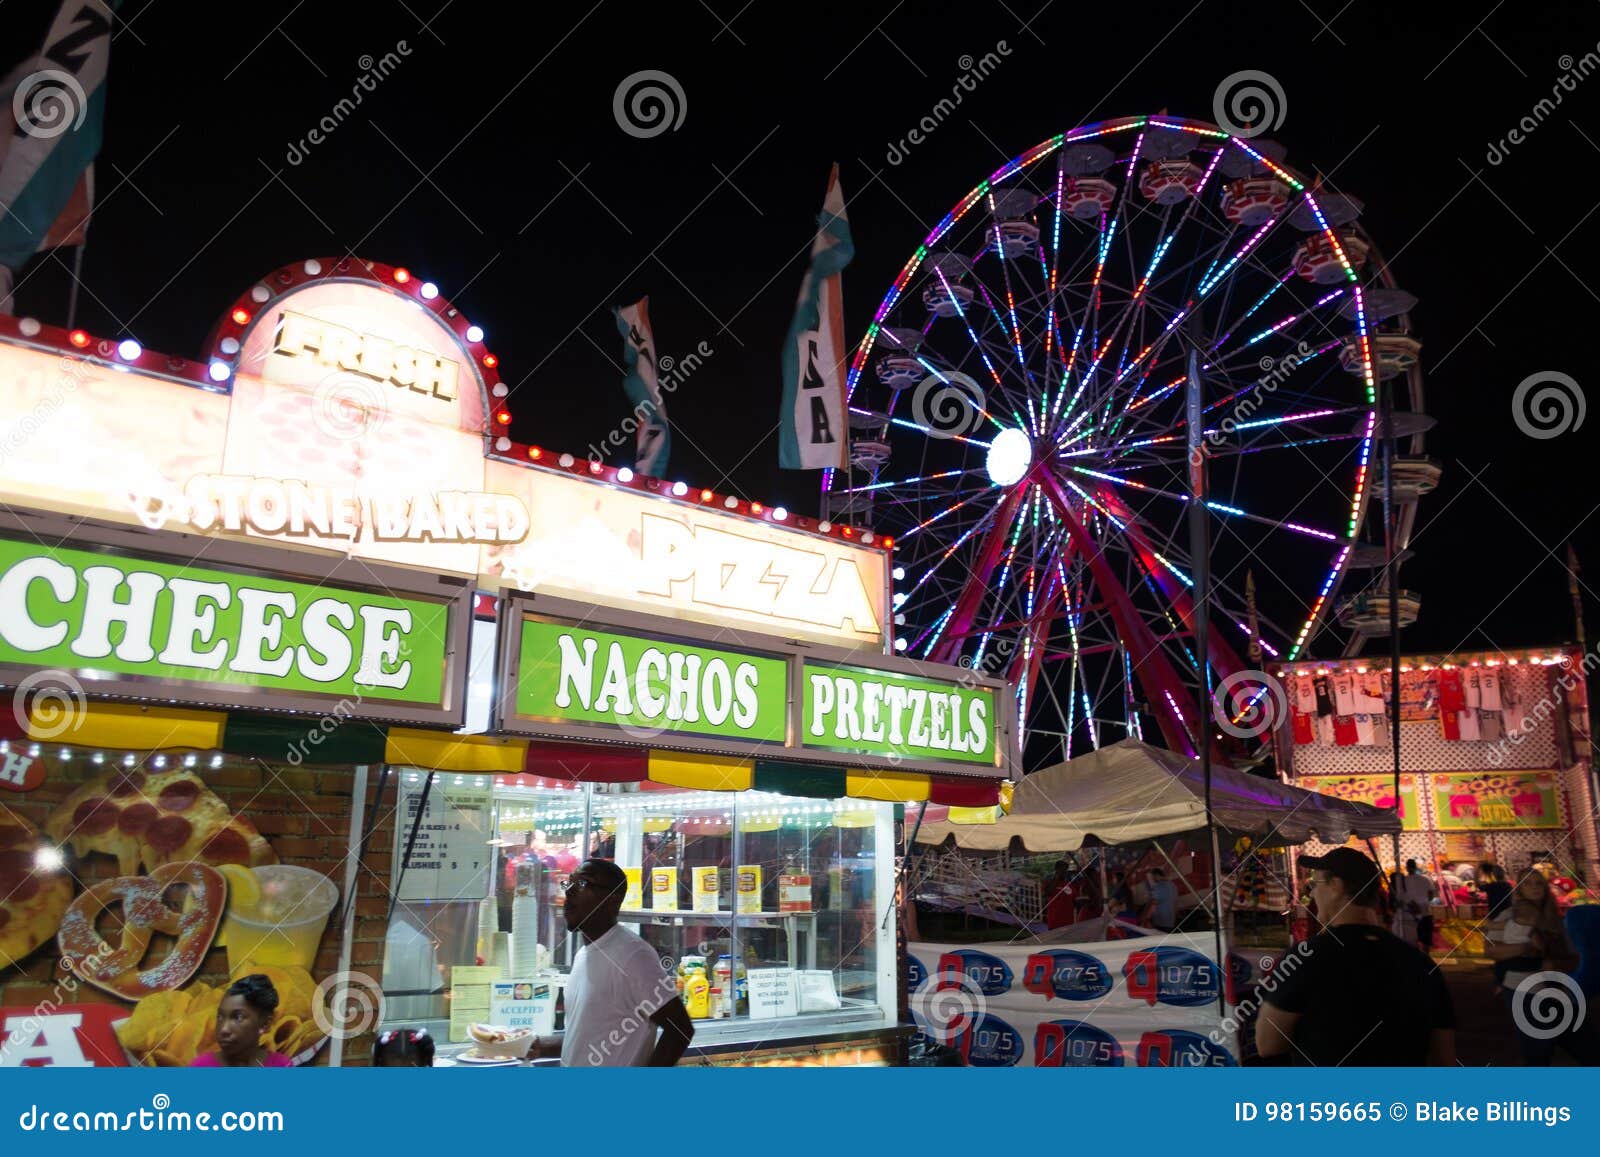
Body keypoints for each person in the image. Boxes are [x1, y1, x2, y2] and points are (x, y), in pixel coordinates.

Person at [1256, 848, 1455, 1066]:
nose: (1312, 894)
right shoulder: (1419, 962)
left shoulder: (1306, 958)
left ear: (1336, 886)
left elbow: (1268, 1044)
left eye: (1315, 885)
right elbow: (1444, 1059)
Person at [535, 858, 695, 1067]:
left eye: (583, 884)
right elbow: (588, 1039)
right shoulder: (583, 955)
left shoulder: (634, 955)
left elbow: (680, 1029)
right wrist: (537, 1045)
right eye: (569, 883)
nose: (570, 892)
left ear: (612, 900)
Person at [1484, 869, 1600, 1065]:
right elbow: (1491, 950)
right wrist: (1529, 948)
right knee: (1537, 1052)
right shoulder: (1509, 914)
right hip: (1524, 991)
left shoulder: (1553, 916)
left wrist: (1554, 960)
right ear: (1519, 889)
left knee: (1586, 1046)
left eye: (1539, 883)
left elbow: (1569, 955)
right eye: (1528, 884)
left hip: (1556, 988)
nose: (1535, 887)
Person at [190, 974, 293, 1067]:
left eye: (238, 1017)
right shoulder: (201, 1065)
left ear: (265, 1024)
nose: (224, 1029)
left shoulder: (282, 1065)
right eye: (220, 1017)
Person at [1393, 859, 1438, 954]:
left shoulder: (1403, 881)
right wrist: (1424, 901)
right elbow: (1431, 895)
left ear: (1406, 868)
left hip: (1410, 915)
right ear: (1416, 867)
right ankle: (1426, 959)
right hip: (1425, 912)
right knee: (1426, 940)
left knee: (1413, 940)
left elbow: (1400, 898)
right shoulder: (1425, 879)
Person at [1042, 860, 1078, 929]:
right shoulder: (1048, 882)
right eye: (1062, 870)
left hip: (1068, 921)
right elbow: (1046, 893)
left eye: (1065, 870)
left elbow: (1075, 900)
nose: (1064, 873)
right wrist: (1056, 879)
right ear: (1056, 870)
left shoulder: (1069, 884)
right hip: (1054, 920)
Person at [1143, 868, 1178, 932]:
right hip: (1170, 920)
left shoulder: (1159, 886)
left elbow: (1154, 903)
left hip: (1160, 921)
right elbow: (1175, 903)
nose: (1150, 880)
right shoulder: (1172, 885)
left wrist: (1146, 918)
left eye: (1151, 878)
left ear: (1156, 875)